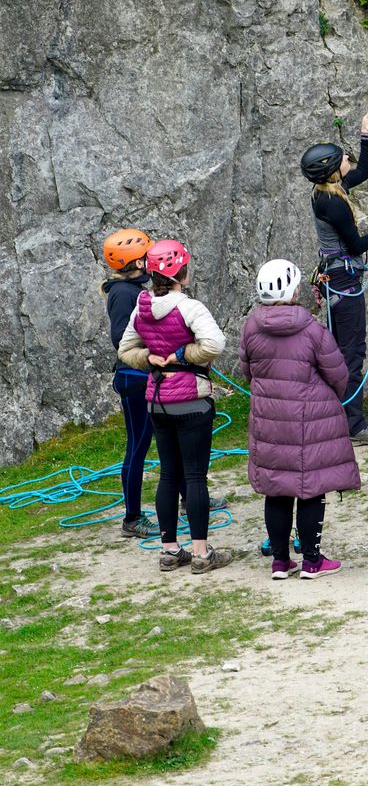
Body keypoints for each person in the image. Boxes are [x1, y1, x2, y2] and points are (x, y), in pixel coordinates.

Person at [117, 240, 233, 572]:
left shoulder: (141, 308)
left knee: (168, 474)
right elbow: (215, 344)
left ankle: (170, 550)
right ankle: (201, 553)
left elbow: (125, 350)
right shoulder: (189, 307)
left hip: (158, 401)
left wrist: (149, 358)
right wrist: (183, 354)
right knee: (195, 476)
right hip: (192, 400)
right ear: (181, 273)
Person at [238, 259, 355, 579]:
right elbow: (338, 374)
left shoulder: (251, 327)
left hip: (269, 420)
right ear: (293, 289)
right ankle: (312, 561)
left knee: (277, 487)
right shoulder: (312, 329)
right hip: (308, 420)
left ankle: (280, 561)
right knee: (310, 487)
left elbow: (247, 371)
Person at [301, 107, 368, 447]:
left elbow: (365, 170)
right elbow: (356, 245)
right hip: (344, 281)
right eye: (342, 158)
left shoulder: (328, 191)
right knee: (350, 353)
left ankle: (338, 419)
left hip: (334, 279)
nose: (347, 160)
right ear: (331, 170)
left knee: (339, 353)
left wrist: (366, 133)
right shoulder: (334, 203)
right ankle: (354, 426)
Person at [101, 229, 157, 539]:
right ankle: (132, 518)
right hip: (135, 378)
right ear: (136, 262)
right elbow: (121, 338)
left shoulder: (133, 289)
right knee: (137, 446)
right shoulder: (124, 293)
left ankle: (189, 499)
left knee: (169, 442)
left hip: (144, 376)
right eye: (147, 255)